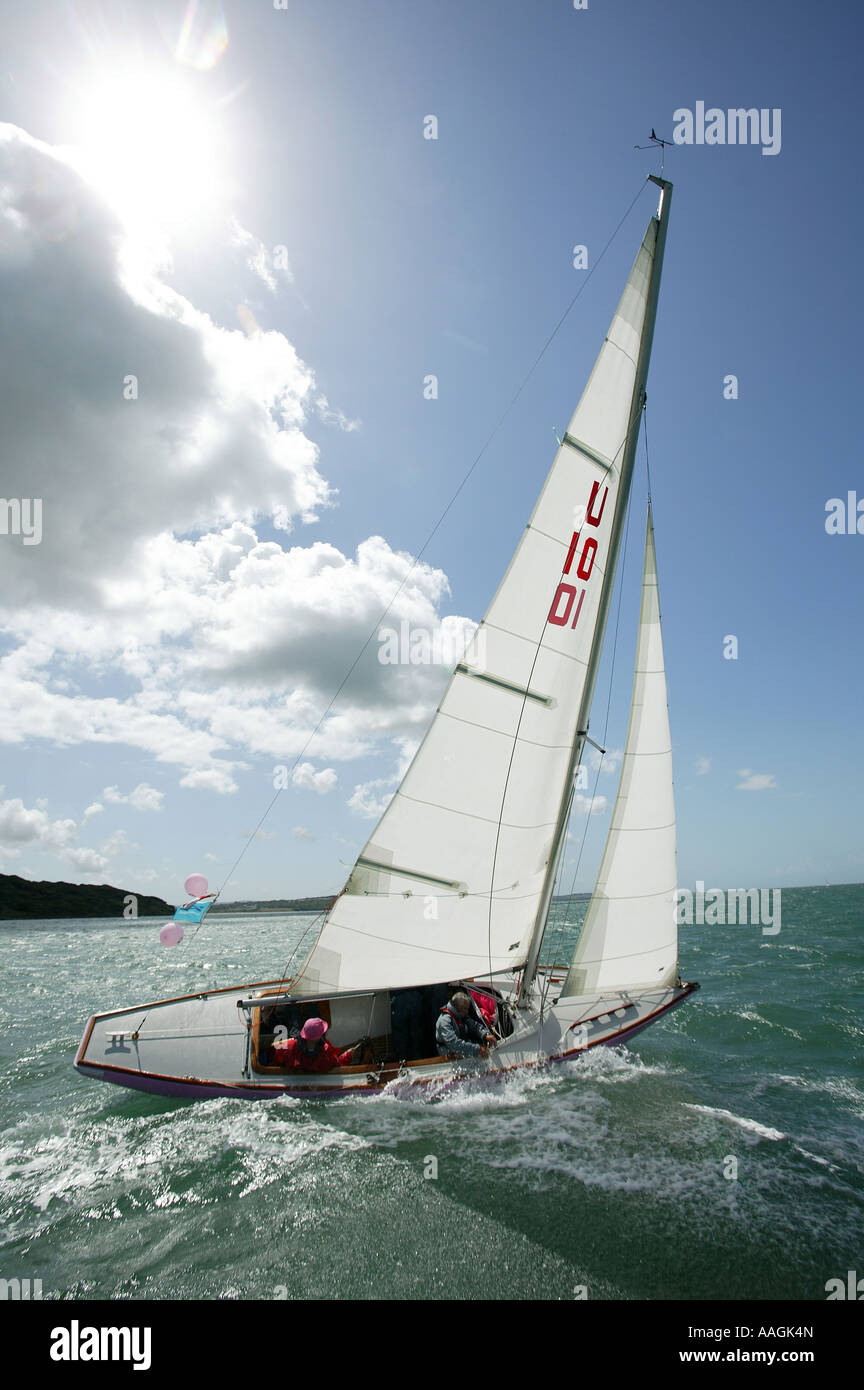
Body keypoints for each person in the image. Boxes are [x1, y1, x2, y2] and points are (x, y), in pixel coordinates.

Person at [272, 1017, 359, 1072]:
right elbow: (336, 1067)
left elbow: (277, 1059)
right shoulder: (326, 1053)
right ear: (319, 1036)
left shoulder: (287, 1046)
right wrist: (349, 1054)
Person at [435, 991, 496, 1058]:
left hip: (463, 1048)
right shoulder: (444, 1021)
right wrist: (477, 1049)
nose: (466, 1012)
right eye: (464, 1008)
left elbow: (475, 1026)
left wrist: (485, 1035)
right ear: (456, 1006)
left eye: (467, 1009)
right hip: (448, 1053)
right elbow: (454, 1044)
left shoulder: (461, 1015)